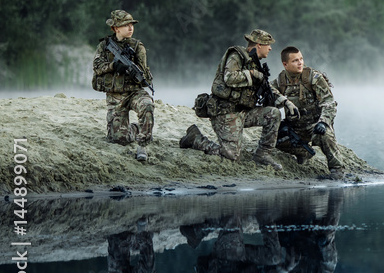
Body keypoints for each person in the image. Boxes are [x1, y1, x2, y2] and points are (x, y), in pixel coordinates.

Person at [180, 29, 298, 170]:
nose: (271, 48)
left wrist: (286, 102)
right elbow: (229, 78)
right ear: (259, 45)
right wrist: (252, 74)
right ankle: (195, 138)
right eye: (268, 44)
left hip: (244, 112)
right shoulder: (237, 56)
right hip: (226, 112)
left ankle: (263, 155)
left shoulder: (255, 63)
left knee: (273, 114)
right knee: (231, 156)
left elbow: (267, 88)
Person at [272, 46, 344, 177]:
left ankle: (337, 169)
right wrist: (282, 101)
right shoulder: (280, 81)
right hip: (295, 128)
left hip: (314, 125)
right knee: (272, 137)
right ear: (285, 64)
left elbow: (329, 103)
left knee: (325, 135)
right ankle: (303, 152)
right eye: (295, 60)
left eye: (301, 59)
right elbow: (269, 93)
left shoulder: (314, 77)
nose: (300, 63)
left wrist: (323, 122)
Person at [92, 10, 154, 162]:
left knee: (147, 105)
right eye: (126, 25)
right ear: (115, 28)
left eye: (132, 25)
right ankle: (135, 128)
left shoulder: (138, 47)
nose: (130, 28)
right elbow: (97, 66)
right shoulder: (105, 45)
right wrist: (114, 66)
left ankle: (142, 145)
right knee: (119, 139)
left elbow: (146, 75)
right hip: (115, 95)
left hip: (134, 92)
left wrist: (136, 73)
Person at [277, 189, 343, 273]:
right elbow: (329, 265)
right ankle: (337, 191)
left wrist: (283, 243)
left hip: (294, 238)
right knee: (329, 228)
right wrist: (324, 245)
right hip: (316, 241)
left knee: (280, 225)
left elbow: (275, 261)